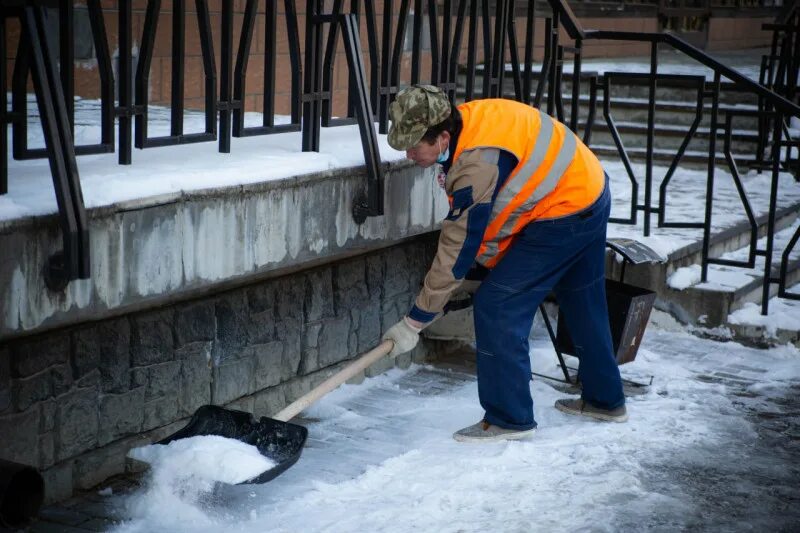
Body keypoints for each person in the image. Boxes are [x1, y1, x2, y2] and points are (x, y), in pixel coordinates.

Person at [381, 85, 627, 443]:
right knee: (582, 299)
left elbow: (459, 246)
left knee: (498, 306)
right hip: (587, 189)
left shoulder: (478, 163)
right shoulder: (470, 122)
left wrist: (416, 319)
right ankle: (606, 400)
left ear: (443, 136)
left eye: (415, 144)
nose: (408, 153)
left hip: (563, 210)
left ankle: (509, 419)